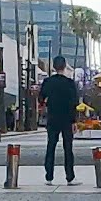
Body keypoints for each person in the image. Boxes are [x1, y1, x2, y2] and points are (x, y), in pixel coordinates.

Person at [40, 56, 80, 186]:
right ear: (64, 66)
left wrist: (47, 102)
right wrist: (74, 121)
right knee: (68, 148)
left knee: (51, 146)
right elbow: (74, 102)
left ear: (53, 66)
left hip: (53, 118)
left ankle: (49, 176)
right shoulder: (70, 83)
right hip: (67, 119)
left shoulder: (48, 82)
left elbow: (41, 98)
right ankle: (70, 176)